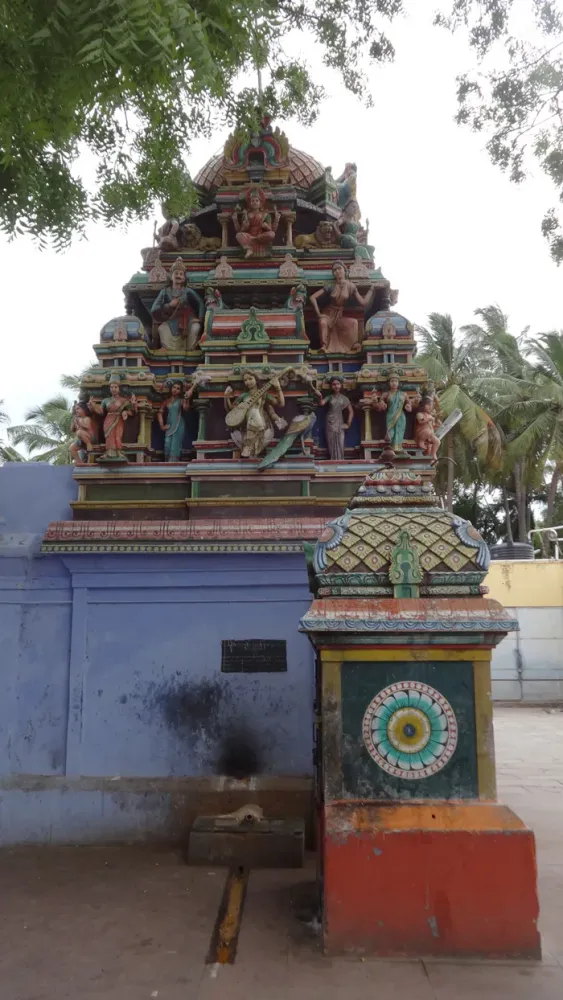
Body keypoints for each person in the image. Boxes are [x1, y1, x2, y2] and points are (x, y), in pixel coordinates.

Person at [310, 261, 371, 353]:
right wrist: (318, 314)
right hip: (328, 314)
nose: (337, 271)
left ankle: (353, 344)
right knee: (323, 322)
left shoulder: (351, 286)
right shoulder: (331, 286)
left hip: (339, 315)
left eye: (339, 269)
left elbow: (363, 303)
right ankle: (324, 346)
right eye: (335, 270)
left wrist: (371, 290)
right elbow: (312, 297)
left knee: (354, 322)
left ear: (345, 271)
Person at [224, 371, 287, 458]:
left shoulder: (264, 394)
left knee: (254, 411)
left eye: (250, 378)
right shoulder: (244, 396)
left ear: (256, 380)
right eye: (245, 380)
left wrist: (278, 388)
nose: (248, 382)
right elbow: (233, 410)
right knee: (252, 412)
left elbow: (280, 404)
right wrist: (226, 397)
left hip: (260, 422)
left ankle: (248, 445)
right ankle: (248, 445)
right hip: (246, 422)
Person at [151, 258, 204, 351]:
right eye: (176, 273)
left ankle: (190, 349)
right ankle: (168, 349)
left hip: (187, 320)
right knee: (162, 329)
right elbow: (154, 309)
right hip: (171, 320)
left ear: (184, 278)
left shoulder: (187, 291)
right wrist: (169, 305)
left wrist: (199, 319)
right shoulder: (165, 292)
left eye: (181, 274)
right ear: (171, 276)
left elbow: (200, 302)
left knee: (196, 327)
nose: (178, 276)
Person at [89, 375, 136, 462]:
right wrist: (92, 407)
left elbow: (132, 412)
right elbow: (101, 412)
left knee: (118, 436)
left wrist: (129, 408)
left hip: (118, 419)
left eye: (115, 387)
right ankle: (108, 453)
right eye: (111, 387)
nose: (113, 389)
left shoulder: (123, 400)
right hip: (108, 419)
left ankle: (119, 452)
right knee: (109, 436)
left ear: (119, 388)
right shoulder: (105, 401)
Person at [313, 376, 354, 461]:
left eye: (338, 384)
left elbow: (351, 411)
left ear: (341, 385)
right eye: (334, 384)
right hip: (330, 422)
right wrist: (320, 396)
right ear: (331, 386)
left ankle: (340, 460)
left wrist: (348, 424)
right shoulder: (330, 397)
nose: (336, 386)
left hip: (340, 421)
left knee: (341, 442)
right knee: (331, 443)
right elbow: (321, 403)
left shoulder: (344, 398)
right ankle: (333, 460)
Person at [232, 188, 280, 258]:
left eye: (257, 200)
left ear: (260, 203)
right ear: (250, 203)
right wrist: (235, 220)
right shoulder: (246, 215)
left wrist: (268, 226)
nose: (254, 202)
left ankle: (253, 240)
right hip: (249, 235)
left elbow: (272, 230)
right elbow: (241, 231)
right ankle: (249, 249)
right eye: (252, 201)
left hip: (260, 236)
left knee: (271, 234)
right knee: (238, 235)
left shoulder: (265, 215)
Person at [158, 381, 195, 462]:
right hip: (169, 425)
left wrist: (187, 399)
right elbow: (160, 413)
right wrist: (162, 426)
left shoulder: (181, 400)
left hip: (179, 425)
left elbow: (185, 408)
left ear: (180, 391)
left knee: (175, 445)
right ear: (171, 388)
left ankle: (173, 464)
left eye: (178, 388)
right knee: (167, 445)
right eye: (174, 387)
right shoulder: (166, 401)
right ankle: (168, 464)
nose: (175, 390)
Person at [415, 397, 441, 461]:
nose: (430, 407)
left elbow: (431, 426)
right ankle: (421, 442)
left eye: (431, 405)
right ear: (423, 405)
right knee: (428, 432)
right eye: (428, 405)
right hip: (421, 433)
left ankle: (433, 454)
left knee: (437, 442)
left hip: (430, 434)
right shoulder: (419, 414)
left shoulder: (430, 416)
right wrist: (429, 419)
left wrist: (437, 426)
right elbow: (421, 421)